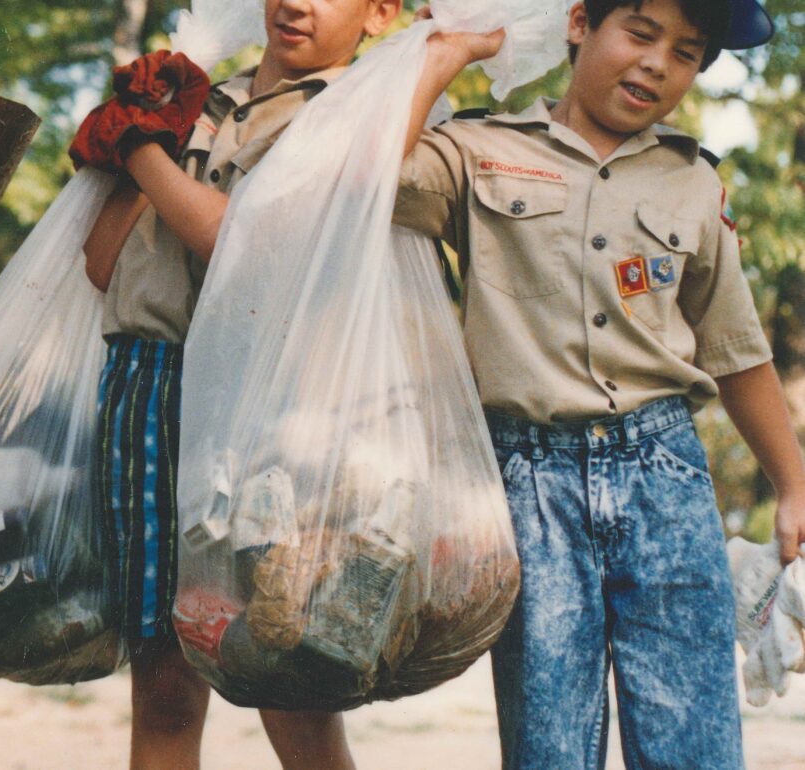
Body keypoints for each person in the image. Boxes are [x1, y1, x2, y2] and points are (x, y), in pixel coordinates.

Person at [399, 0, 804, 766]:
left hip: (665, 478)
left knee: (693, 741)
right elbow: (373, 177)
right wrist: (449, 51)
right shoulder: (476, 149)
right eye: (641, 32)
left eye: (687, 53)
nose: (658, 63)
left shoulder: (692, 183)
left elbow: (736, 350)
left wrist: (794, 486)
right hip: (528, 486)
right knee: (548, 743)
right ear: (580, 23)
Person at [68, 0, 406, 767]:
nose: (295, 3)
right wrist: (138, 127)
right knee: (163, 684)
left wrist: (143, 151)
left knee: (289, 680)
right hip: (147, 392)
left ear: (382, 13)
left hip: (266, 399)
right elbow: (101, 263)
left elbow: (239, 244)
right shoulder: (199, 101)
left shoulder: (354, 112)